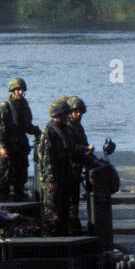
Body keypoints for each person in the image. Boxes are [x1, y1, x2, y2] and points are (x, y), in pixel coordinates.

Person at [0, 77, 40, 201]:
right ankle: (2, 198)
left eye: (21, 90)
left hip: (19, 144)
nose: (19, 92)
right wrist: (3, 147)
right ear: (12, 91)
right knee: (5, 174)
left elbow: (27, 125)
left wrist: (37, 131)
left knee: (21, 172)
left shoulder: (24, 104)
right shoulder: (5, 107)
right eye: (17, 90)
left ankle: (19, 196)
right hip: (7, 143)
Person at [36, 98, 77, 236]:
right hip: (53, 178)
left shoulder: (64, 130)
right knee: (52, 211)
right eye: (66, 114)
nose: (69, 116)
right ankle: (50, 238)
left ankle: (62, 235)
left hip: (64, 174)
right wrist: (51, 178)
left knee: (64, 208)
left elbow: (72, 148)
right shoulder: (49, 132)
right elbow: (46, 158)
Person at [64, 96, 97, 227]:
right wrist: (86, 148)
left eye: (79, 112)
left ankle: (74, 223)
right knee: (71, 200)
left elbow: (83, 144)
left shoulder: (78, 126)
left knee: (75, 199)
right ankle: (71, 225)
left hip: (76, 167)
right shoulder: (66, 127)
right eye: (74, 111)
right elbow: (73, 147)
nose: (77, 114)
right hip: (68, 168)